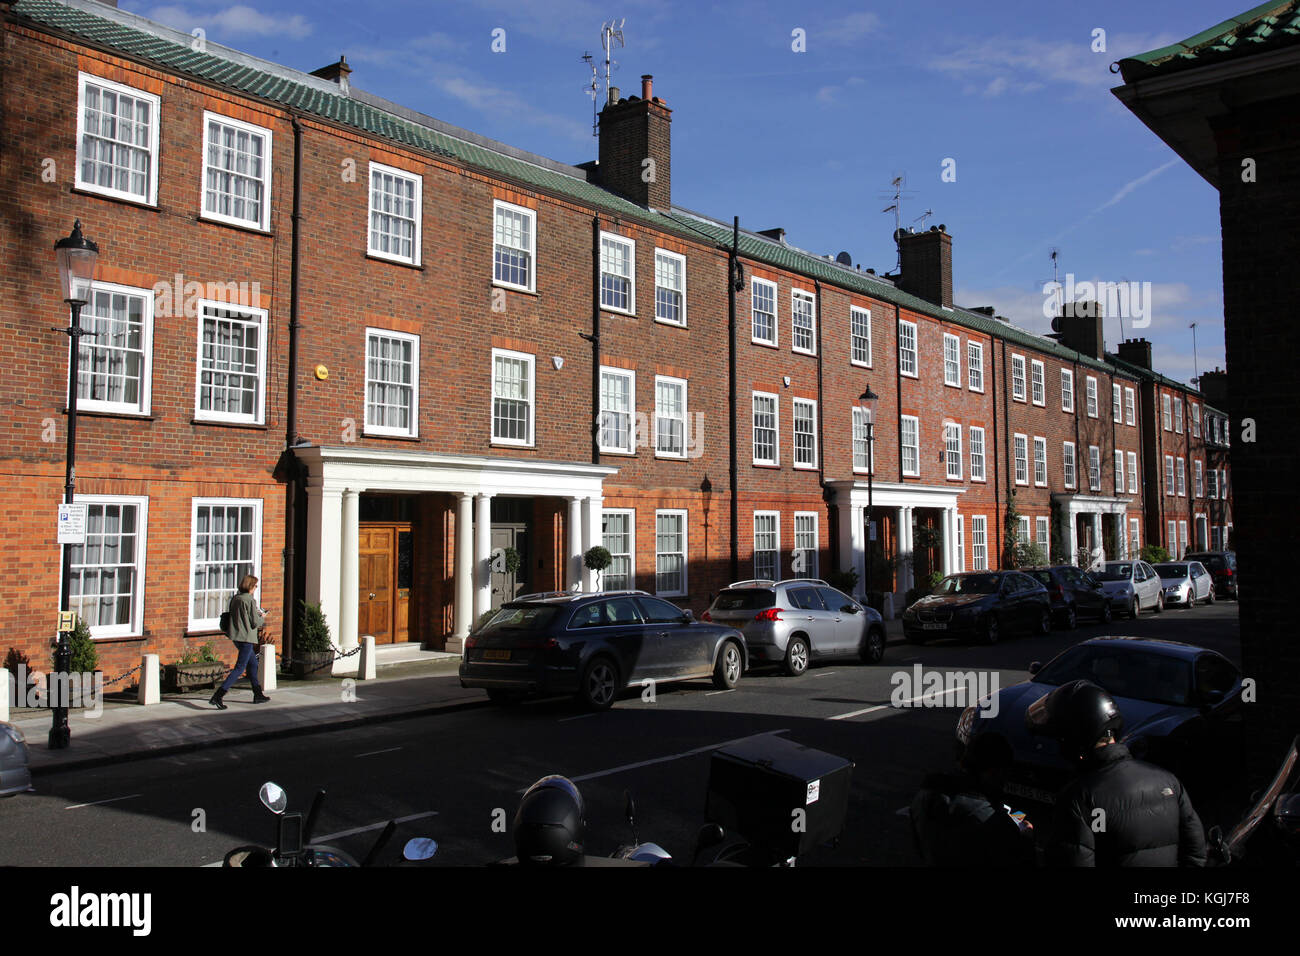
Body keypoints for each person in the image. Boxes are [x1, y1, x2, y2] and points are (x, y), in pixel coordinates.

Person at [1026, 679, 1206, 866]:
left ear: (1073, 739)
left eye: (1060, 739)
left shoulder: (1079, 799)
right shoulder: (1169, 782)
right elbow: (1195, 854)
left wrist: (1028, 846)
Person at [910, 732, 1035, 866]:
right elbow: (1014, 852)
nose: (1003, 782)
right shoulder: (990, 817)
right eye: (1003, 774)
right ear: (993, 772)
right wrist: (1026, 835)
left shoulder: (928, 792)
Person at [210, 574, 270, 709]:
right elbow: (255, 622)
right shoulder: (249, 600)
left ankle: (258, 694)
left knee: (253, 664)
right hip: (246, 638)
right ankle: (218, 696)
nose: (256, 588)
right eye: (255, 586)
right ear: (250, 586)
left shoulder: (236, 598)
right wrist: (263, 617)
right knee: (239, 668)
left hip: (236, 636)